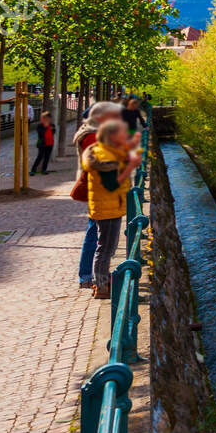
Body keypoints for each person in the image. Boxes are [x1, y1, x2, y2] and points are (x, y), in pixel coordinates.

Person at [84, 117, 140, 299]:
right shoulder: (104, 157)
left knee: (106, 246)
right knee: (106, 247)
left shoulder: (102, 152)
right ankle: (101, 285)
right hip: (108, 207)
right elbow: (112, 184)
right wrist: (130, 166)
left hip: (107, 206)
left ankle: (101, 280)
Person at [72, 101, 123, 290]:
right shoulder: (91, 137)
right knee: (97, 235)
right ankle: (90, 277)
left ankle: (91, 276)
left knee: (96, 232)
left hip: (100, 190)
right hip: (100, 191)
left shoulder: (93, 134)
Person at [30, 110, 55, 174]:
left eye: (49, 118)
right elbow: (40, 134)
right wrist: (46, 127)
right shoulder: (40, 126)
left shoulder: (52, 125)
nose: (48, 120)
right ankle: (33, 170)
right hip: (42, 143)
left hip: (50, 143)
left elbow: (53, 132)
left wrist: (50, 128)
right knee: (40, 156)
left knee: (47, 157)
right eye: (46, 118)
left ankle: (44, 170)